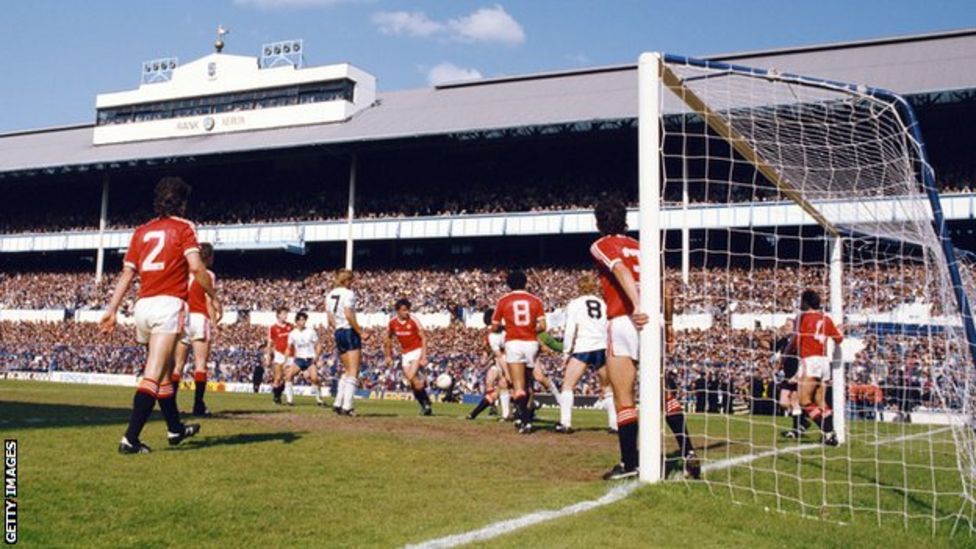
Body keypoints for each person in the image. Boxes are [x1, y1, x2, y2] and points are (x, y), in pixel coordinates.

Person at [100, 176, 220, 454]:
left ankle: (175, 429)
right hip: (168, 305)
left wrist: (112, 310)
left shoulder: (141, 231)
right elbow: (196, 267)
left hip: (142, 306)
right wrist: (213, 296)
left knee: (165, 373)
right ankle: (130, 438)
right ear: (183, 202)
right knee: (154, 373)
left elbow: (127, 274)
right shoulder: (184, 227)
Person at [589, 197, 698, 480]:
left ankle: (629, 464)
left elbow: (619, 270)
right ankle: (688, 451)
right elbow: (666, 286)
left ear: (599, 222)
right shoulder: (641, 247)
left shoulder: (602, 244)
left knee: (624, 398)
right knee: (664, 392)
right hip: (655, 322)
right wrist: (669, 323)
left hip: (626, 320)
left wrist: (636, 305)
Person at [491, 270, 546, 434]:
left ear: (508, 285)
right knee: (528, 383)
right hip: (531, 343)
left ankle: (523, 420)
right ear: (525, 283)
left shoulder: (503, 300)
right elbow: (543, 326)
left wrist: (506, 326)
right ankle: (527, 418)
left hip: (514, 342)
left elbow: (494, 326)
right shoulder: (535, 300)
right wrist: (529, 328)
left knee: (518, 386)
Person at [788, 289, 843, 446]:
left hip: (810, 360)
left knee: (804, 401)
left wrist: (785, 356)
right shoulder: (826, 319)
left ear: (805, 302)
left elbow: (796, 341)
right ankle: (829, 433)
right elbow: (839, 339)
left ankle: (828, 431)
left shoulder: (802, 318)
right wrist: (840, 330)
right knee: (820, 401)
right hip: (825, 361)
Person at [172, 242, 221, 417]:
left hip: (184, 317)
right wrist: (215, 321)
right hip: (200, 318)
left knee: (178, 365)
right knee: (200, 364)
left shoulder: (185, 274)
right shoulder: (208, 275)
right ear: (208, 257)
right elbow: (208, 301)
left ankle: (170, 404)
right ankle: (198, 405)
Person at [556, 275, 609, 434]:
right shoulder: (603, 303)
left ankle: (565, 423)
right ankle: (614, 424)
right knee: (607, 388)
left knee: (568, 385)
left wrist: (566, 352)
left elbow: (570, 330)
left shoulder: (575, 304)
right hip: (601, 346)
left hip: (583, 347)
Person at [383, 298, 433, 416]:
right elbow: (388, 339)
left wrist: (423, 357)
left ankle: (426, 403)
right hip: (405, 353)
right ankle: (425, 404)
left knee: (410, 376)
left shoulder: (414, 320)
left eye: (408, 310)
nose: (407, 312)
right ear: (398, 311)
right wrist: (388, 356)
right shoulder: (392, 323)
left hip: (417, 350)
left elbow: (424, 338)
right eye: (404, 310)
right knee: (414, 383)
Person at [327, 269, 365, 416]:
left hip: (338, 332)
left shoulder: (330, 295)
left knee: (347, 370)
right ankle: (347, 406)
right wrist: (360, 331)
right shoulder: (348, 294)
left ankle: (338, 403)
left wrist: (339, 327)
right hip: (349, 331)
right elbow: (349, 314)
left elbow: (330, 319)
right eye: (351, 280)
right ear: (347, 281)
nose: (352, 283)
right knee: (353, 371)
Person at [468, 309, 511, 420]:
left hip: (508, 360)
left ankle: (526, 407)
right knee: (490, 380)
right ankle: (493, 407)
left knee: (504, 384)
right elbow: (487, 352)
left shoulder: (506, 331)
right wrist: (484, 359)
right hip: (498, 361)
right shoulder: (489, 336)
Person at [774, 318, 810, 438]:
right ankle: (803, 420)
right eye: (785, 325)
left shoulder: (799, 340)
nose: (786, 327)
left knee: (794, 401)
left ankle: (796, 429)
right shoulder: (784, 340)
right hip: (787, 375)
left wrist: (798, 375)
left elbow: (803, 359)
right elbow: (772, 348)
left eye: (788, 325)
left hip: (797, 375)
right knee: (783, 402)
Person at [283, 311, 326, 407]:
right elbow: (288, 348)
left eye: (304, 320)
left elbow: (318, 345)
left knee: (314, 379)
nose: (303, 322)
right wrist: (286, 361)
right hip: (299, 359)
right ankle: (289, 400)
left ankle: (319, 399)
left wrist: (317, 357)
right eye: (301, 320)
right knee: (289, 376)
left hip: (310, 359)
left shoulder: (311, 332)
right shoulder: (292, 333)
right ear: (296, 321)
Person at [266, 306, 293, 404]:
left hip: (290, 355)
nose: (286, 316)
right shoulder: (273, 328)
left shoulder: (291, 326)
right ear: (278, 315)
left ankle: (279, 394)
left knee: (288, 377)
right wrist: (268, 356)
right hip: (279, 354)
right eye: (284, 314)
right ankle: (276, 396)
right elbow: (270, 343)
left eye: (286, 313)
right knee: (278, 377)